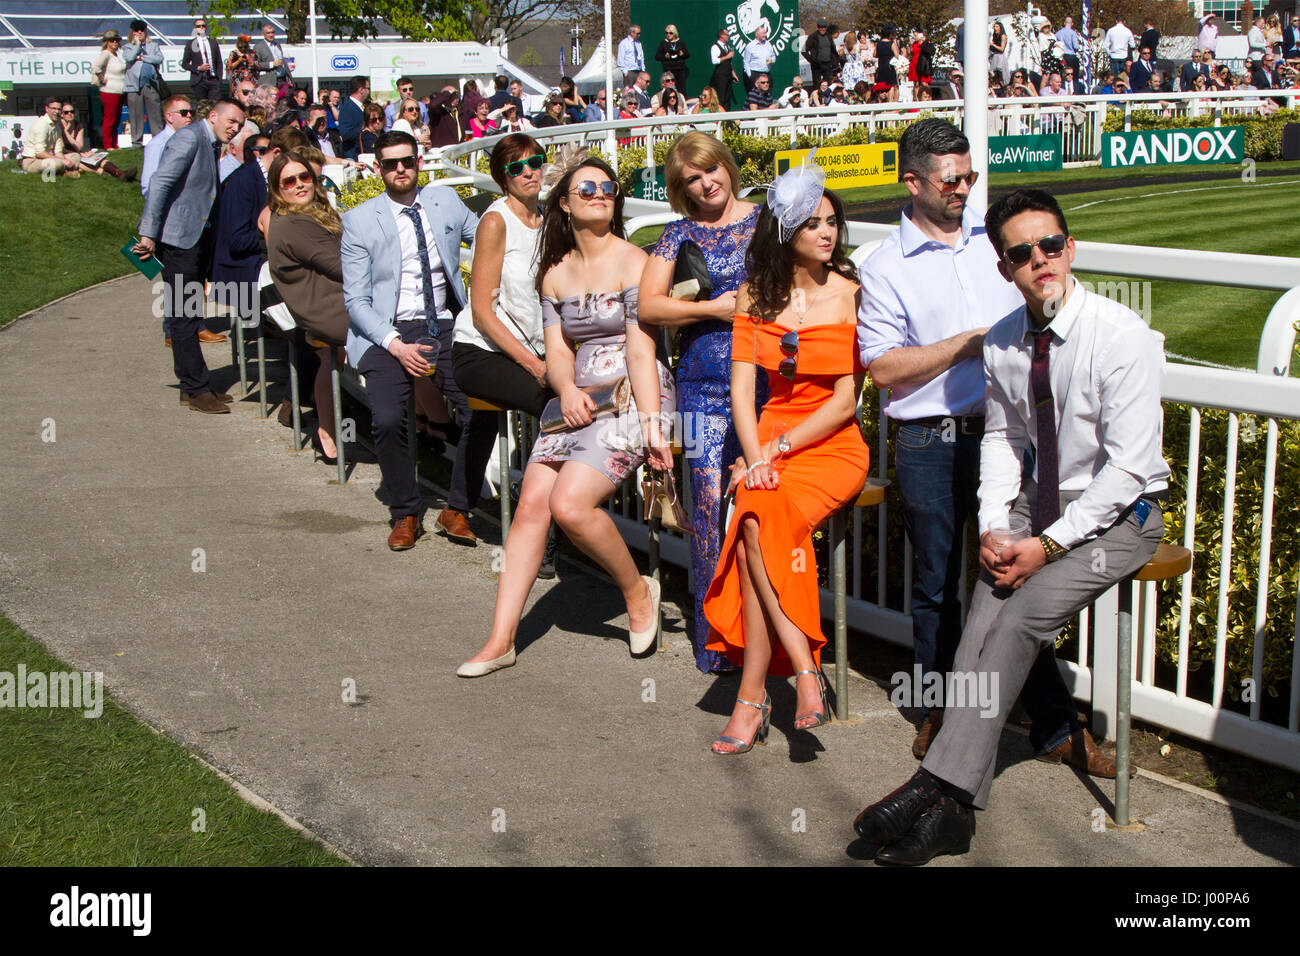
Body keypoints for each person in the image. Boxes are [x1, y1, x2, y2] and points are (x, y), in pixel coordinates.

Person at [852, 188, 1170, 865]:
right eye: (1022, 253)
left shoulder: (1122, 336)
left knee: (1021, 615)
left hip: (1124, 516)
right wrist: (997, 526)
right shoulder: (1002, 341)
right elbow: (1002, 438)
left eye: (1051, 245)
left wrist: (1046, 545)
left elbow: (1127, 473)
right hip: (1038, 509)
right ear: (1005, 269)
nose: (1040, 261)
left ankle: (936, 790)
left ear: (1070, 247)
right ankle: (953, 811)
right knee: (980, 619)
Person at [857, 120, 1100, 771]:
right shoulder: (883, 267)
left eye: (971, 176)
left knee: (1019, 578)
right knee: (936, 588)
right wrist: (968, 343)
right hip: (928, 441)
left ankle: (1054, 728)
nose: (966, 188)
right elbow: (881, 369)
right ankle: (939, 713)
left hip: (1005, 439)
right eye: (952, 179)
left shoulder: (998, 246)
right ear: (913, 181)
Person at [455, 157, 674, 678]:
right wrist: (566, 387)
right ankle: (500, 638)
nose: (600, 193)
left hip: (631, 391)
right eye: (587, 188)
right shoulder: (553, 272)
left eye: (607, 187)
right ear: (565, 204)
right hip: (576, 391)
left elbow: (644, 352)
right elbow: (556, 351)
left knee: (570, 506)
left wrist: (652, 424)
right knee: (532, 502)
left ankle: (637, 591)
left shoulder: (634, 261)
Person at [702, 164, 868, 753]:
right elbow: (743, 394)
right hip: (768, 437)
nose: (828, 233)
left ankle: (757, 697)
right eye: (813, 223)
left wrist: (771, 452)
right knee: (756, 516)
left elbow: (846, 403)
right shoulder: (755, 293)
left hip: (830, 444)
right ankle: (801, 669)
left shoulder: (851, 291)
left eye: (833, 222)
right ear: (786, 231)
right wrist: (755, 453)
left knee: (754, 523)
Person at [639, 132, 765, 674]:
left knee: (761, 504)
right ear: (680, 188)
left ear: (727, 167)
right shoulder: (676, 235)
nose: (706, 183)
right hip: (703, 383)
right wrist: (715, 311)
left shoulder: (769, 220)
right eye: (692, 178)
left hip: (765, 380)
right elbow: (649, 306)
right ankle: (718, 639)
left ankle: (769, 634)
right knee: (710, 509)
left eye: (711, 170)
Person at [340, 130, 484, 550]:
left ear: (418, 161)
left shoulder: (446, 202)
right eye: (390, 163)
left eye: (406, 160)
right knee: (386, 418)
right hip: (387, 329)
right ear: (379, 169)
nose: (400, 169)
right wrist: (395, 344)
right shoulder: (360, 220)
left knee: (481, 408)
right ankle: (405, 511)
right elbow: (356, 300)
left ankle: (456, 507)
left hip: (443, 323)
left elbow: (491, 238)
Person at [451, 134, 557, 575]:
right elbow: (482, 312)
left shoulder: (550, 216)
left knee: (566, 402)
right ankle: (542, 539)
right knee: (556, 407)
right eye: (517, 167)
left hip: (533, 347)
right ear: (502, 177)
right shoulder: (495, 222)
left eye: (536, 161)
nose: (530, 171)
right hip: (481, 350)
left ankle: (464, 504)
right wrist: (535, 366)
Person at [134, 97, 248, 413]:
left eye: (239, 124)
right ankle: (196, 389)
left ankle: (194, 385)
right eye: (231, 121)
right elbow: (160, 183)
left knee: (189, 314)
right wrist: (148, 231)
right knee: (183, 317)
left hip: (194, 238)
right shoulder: (189, 137)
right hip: (179, 241)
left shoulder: (209, 142)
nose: (235, 128)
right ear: (212, 116)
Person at [266, 152, 350, 462]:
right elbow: (341, 265)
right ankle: (424, 422)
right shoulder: (296, 223)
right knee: (405, 327)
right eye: (290, 180)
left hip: (322, 303)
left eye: (305, 177)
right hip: (327, 309)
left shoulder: (301, 215)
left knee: (332, 354)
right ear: (278, 188)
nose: (300, 184)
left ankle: (326, 430)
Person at [211, 129, 273, 377]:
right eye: (259, 151)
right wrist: (274, 238)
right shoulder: (241, 181)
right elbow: (236, 240)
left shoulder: (259, 178)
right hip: (243, 268)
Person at [120, 20, 164, 149]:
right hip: (133, 86)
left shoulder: (153, 45)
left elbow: (158, 59)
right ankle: (136, 142)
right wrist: (137, 46)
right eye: (136, 30)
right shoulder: (128, 47)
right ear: (132, 33)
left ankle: (158, 141)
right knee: (135, 115)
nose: (139, 32)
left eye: (142, 30)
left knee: (155, 115)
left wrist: (141, 57)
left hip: (150, 85)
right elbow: (128, 57)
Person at [142, 96, 191, 195]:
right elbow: (148, 186)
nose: (189, 115)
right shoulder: (158, 144)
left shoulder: (190, 140)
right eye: (184, 113)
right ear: (169, 116)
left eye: (191, 112)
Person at [21, 99, 81, 178]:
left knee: (75, 156)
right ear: (47, 109)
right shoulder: (42, 125)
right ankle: (67, 172)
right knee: (57, 163)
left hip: (49, 158)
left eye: (59, 109)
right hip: (32, 161)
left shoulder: (57, 125)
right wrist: (62, 161)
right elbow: (39, 153)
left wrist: (65, 161)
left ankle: (65, 171)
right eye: (54, 108)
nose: (56, 111)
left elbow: (58, 151)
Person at [91, 30, 127, 150]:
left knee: (116, 119)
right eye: (112, 40)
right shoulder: (106, 54)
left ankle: (114, 143)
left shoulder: (116, 55)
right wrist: (102, 78)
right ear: (106, 42)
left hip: (119, 91)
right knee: (109, 119)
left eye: (117, 40)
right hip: (109, 91)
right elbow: (95, 66)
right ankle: (107, 144)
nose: (115, 42)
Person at [182, 17, 223, 103]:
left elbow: (219, 62)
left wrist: (219, 79)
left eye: (203, 26)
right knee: (202, 106)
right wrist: (198, 68)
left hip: (213, 79)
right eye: (198, 26)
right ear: (195, 28)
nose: (201, 27)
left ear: (206, 27)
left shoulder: (212, 42)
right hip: (199, 80)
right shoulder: (191, 44)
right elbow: (185, 64)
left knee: (215, 104)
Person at [338, 75, 369, 160]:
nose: (369, 92)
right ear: (361, 90)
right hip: (354, 156)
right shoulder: (347, 108)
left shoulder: (363, 107)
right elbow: (345, 135)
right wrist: (364, 127)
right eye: (368, 89)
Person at [254, 22, 292, 88]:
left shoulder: (277, 45)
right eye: (268, 33)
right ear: (263, 34)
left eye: (272, 32)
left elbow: (282, 61)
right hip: (269, 81)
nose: (271, 35)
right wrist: (272, 64)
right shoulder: (258, 47)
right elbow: (256, 65)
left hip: (282, 80)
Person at [804, 18, 839, 88]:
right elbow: (804, 51)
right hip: (817, 66)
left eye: (824, 27)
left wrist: (835, 61)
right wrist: (812, 60)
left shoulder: (829, 36)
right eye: (820, 27)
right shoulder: (812, 37)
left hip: (828, 65)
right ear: (817, 27)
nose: (823, 29)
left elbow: (833, 50)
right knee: (817, 85)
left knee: (828, 85)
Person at [655, 23, 690, 93]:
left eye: (670, 33)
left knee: (681, 89)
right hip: (668, 70)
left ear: (674, 33)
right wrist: (665, 56)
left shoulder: (680, 42)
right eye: (666, 33)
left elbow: (687, 54)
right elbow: (657, 57)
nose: (668, 35)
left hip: (680, 70)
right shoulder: (663, 43)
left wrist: (682, 54)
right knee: (669, 90)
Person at [743, 24, 777, 93]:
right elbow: (746, 62)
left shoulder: (768, 44)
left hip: (767, 74)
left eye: (765, 33)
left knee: (768, 95)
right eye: (763, 33)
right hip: (755, 74)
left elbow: (773, 57)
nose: (765, 35)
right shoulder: (750, 46)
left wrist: (772, 60)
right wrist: (750, 76)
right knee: (756, 96)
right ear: (757, 34)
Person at [710, 28, 738, 109]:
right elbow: (714, 61)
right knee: (721, 97)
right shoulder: (715, 47)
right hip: (720, 75)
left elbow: (729, 62)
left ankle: (726, 117)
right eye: (727, 35)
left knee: (727, 97)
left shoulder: (727, 46)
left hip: (728, 75)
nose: (728, 37)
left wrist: (733, 74)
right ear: (721, 36)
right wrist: (727, 56)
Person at [617, 24, 646, 89]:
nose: (639, 35)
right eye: (637, 33)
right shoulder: (624, 43)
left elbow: (641, 57)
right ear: (632, 33)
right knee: (629, 91)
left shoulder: (638, 43)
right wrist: (625, 72)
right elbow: (620, 59)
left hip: (638, 71)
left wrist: (643, 70)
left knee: (639, 90)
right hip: (629, 72)